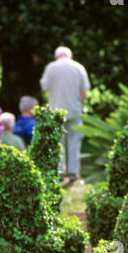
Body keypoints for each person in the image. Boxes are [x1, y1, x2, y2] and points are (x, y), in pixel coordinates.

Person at [39, 46, 91, 184]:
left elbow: (44, 88)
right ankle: (73, 172)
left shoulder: (51, 67)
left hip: (56, 111)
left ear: (57, 56)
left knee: (58, 143)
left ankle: (59, 172)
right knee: (74, 142)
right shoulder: (79, 67)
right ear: (70, 56)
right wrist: (80, 104)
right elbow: (84, 91)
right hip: (74, 110)